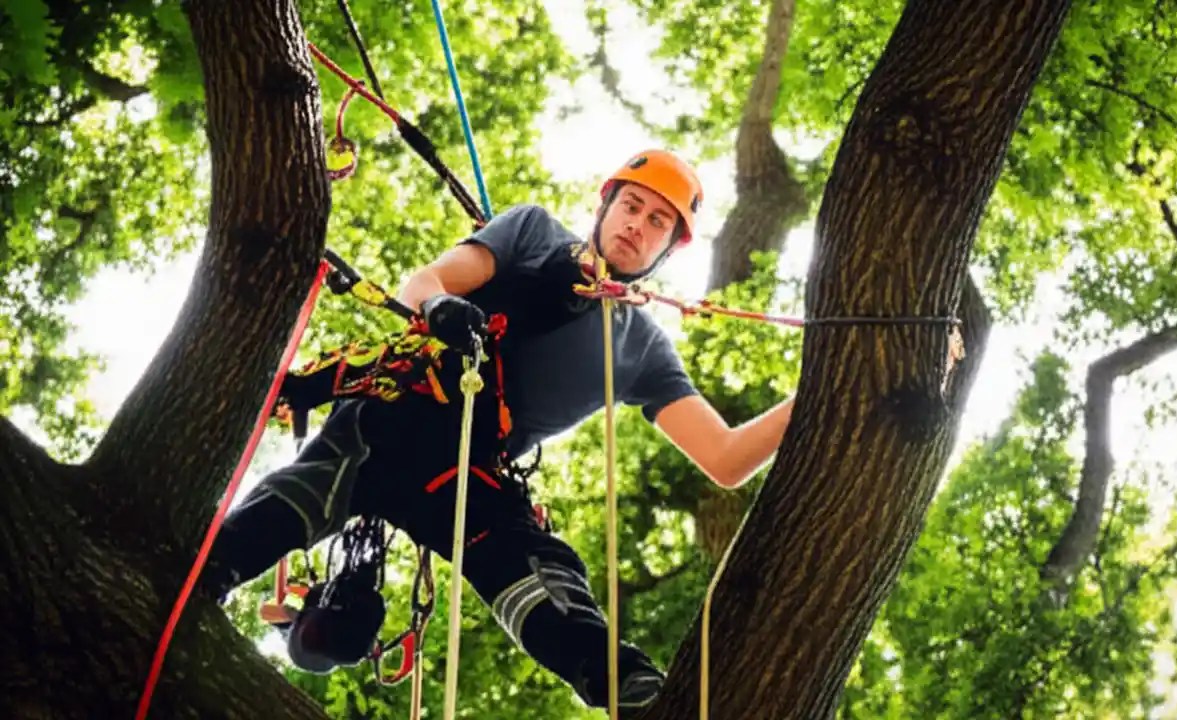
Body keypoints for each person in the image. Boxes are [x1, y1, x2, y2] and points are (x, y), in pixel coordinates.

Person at [202, 149, 794, 712]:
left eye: (659, 220)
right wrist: (440, 310)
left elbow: (726, 458)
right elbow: (425, 283)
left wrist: (814, 392)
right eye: (632, 205)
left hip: (465, 477)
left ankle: (635, 694)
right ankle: (199, 580)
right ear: (606, 206)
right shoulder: (534, 234)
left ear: (669, 246)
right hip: (393, 419)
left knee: (543, 581)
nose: (639, 224)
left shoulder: (641, 348)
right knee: (279, 517)